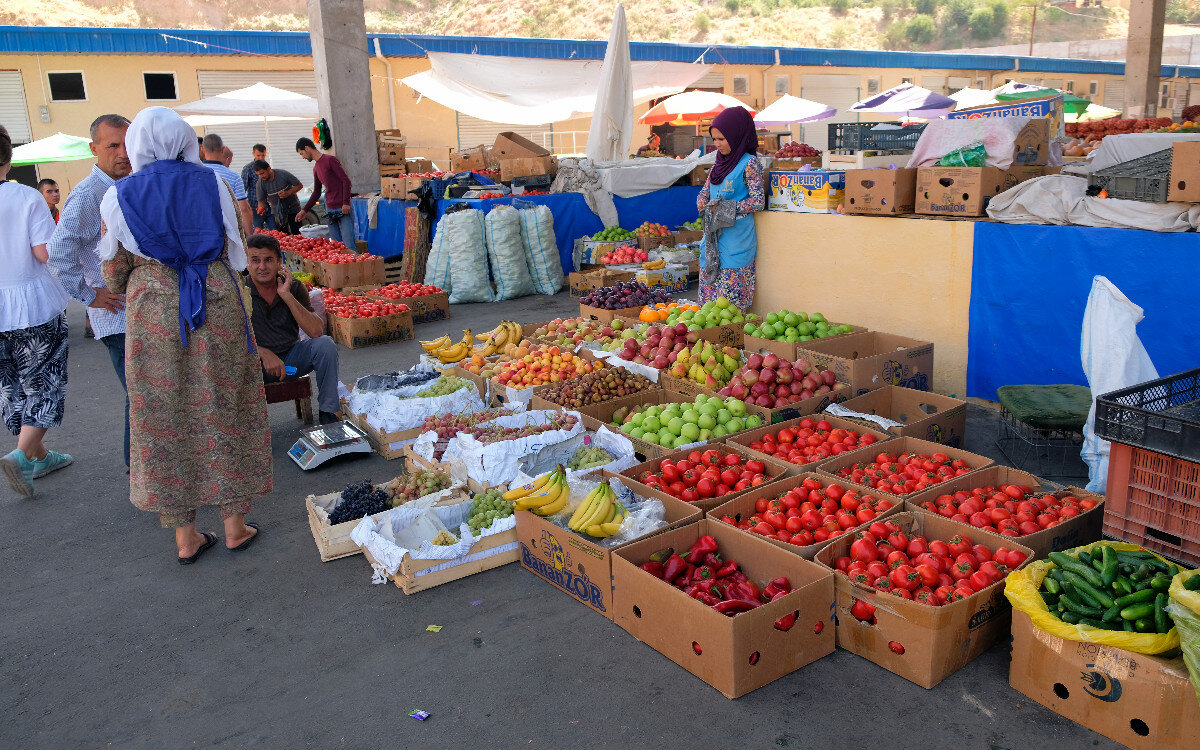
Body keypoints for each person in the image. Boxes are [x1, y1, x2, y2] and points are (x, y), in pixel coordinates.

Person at [98, 107, 271, 564]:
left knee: (163, 416)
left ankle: (186, 537)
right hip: (215, 304)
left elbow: (114, 273)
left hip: (153, 314)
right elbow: (236, 253)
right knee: (224, 402)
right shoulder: (213, 182)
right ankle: (235, 525)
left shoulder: (117, 198)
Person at [47, 113, 132, 468]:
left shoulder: (131, 182)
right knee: (140, 395)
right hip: (116, 315)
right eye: (113, 145)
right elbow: (58, 254)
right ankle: (138, 469)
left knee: (153, 393)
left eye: (127, 144)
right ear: (94, 148)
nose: (122, 152)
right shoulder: (86, 195)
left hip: (141, 309)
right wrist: (89, 295)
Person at [0, 125, 74, 498]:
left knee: (11, 385)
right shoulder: (26, 197)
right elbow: (45, 253)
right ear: (7, 157)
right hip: (31, 304)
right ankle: (20, 454)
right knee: (45, 382)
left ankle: (39, 457)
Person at [244, 234, 341, 425]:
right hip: (255, 368)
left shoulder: (294, 287)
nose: (262, 267)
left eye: (268, 260)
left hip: (290, 364)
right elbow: (230, 339)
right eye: (255, 260)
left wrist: (287, 296)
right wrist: (261, 352)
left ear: (280, 261)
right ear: (247, 263)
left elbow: (315, 332)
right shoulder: (240, 291)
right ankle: (241, 427)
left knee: (325, 345)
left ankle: (328, 413)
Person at [696, 106, 765, 313]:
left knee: (730, 309)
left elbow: (758, 201)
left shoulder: (749, 164)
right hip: (711, 242)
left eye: (721, 139)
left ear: (737, 136)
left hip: (737, 242)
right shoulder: (718, 164)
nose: (716, 145)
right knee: (708, 309)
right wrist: (701, 200)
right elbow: (705, 191)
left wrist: (725, 207)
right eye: (714, 139)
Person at [295, 137, 355, 249]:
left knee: (349, 247)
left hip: (343, 209)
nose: (302, 157)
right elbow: (316, 192)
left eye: (301, 153)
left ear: (307, 148)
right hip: (330, 210)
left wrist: (346, 203)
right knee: (337, 248)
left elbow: (346, 181)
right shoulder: (316, 168)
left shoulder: (330, 160)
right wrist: (304, 210)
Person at [199, 133, 253, 233]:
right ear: (223, 149)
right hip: (227, 232)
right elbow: (244, 209)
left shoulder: (193, 174)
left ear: (202, 149)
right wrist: (249, 236)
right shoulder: (233, 176)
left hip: (200, 229)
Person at [254, 159, 304, 235]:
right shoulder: (260, 183)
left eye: (262, 173)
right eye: (258, 175)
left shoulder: (283, 174)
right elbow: (261, 202)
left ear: (269, 169)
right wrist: (261, 209)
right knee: (282, 236)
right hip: (277, 214)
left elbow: (299, 185)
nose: (261, 176)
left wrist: (288, 192)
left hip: (293, 209)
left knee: (297, 234)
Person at [241, 143, 274, 231]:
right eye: (258, 155)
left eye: (263, 155)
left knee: (274, 231)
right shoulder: (248, 169)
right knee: (257, 231)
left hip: (269, 205)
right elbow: (243, 188)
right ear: (253, 154)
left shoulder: (267, 167)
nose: (261, 158)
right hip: (255, 206)